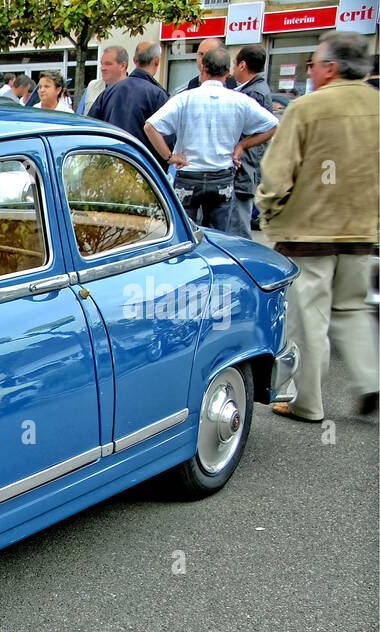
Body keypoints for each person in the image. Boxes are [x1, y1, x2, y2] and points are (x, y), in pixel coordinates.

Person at [255, 30, 379, 422]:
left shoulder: (307, 108)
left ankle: (308, 401)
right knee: (351, 308)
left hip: (308, 230)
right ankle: (370, 381)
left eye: (313, 64)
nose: (309, 70)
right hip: (361, 229)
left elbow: (278, 173)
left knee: (310, 319)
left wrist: (270, 209)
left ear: (330, 67)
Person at [144, 44, 277, 231]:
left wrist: (169, 157)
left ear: (203, 68)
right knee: (218, 235)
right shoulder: (240, 100)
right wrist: (242, 146)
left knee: (185, 232)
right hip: (222, 177)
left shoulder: (184, 98)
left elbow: (150, 126)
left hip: (188, 175)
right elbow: (273, 126)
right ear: (228, 72)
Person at [229, 44, 273, 239]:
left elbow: (262, 130)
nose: (232, 68)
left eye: (234, 63)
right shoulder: (251, 89)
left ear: (243, 65)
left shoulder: (254, 94)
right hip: (245, 168)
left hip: (244, 169)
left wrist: (241, 146)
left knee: (238, 230)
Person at [88, 41, 168, 148]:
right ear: (157, 61)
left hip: (108, 155)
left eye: (108, 64)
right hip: (139, 158)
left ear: (134, 60)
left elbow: (90, 127)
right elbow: (167, 140)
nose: (103, 68)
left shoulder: (108, 92)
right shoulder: (158, 95)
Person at [77, 46, 129, 114]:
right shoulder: (92, 87)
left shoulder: (136, 91)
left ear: (122, 66)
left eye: (108, 64)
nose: (102, 68)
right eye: (102, 64)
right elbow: (79, 116)